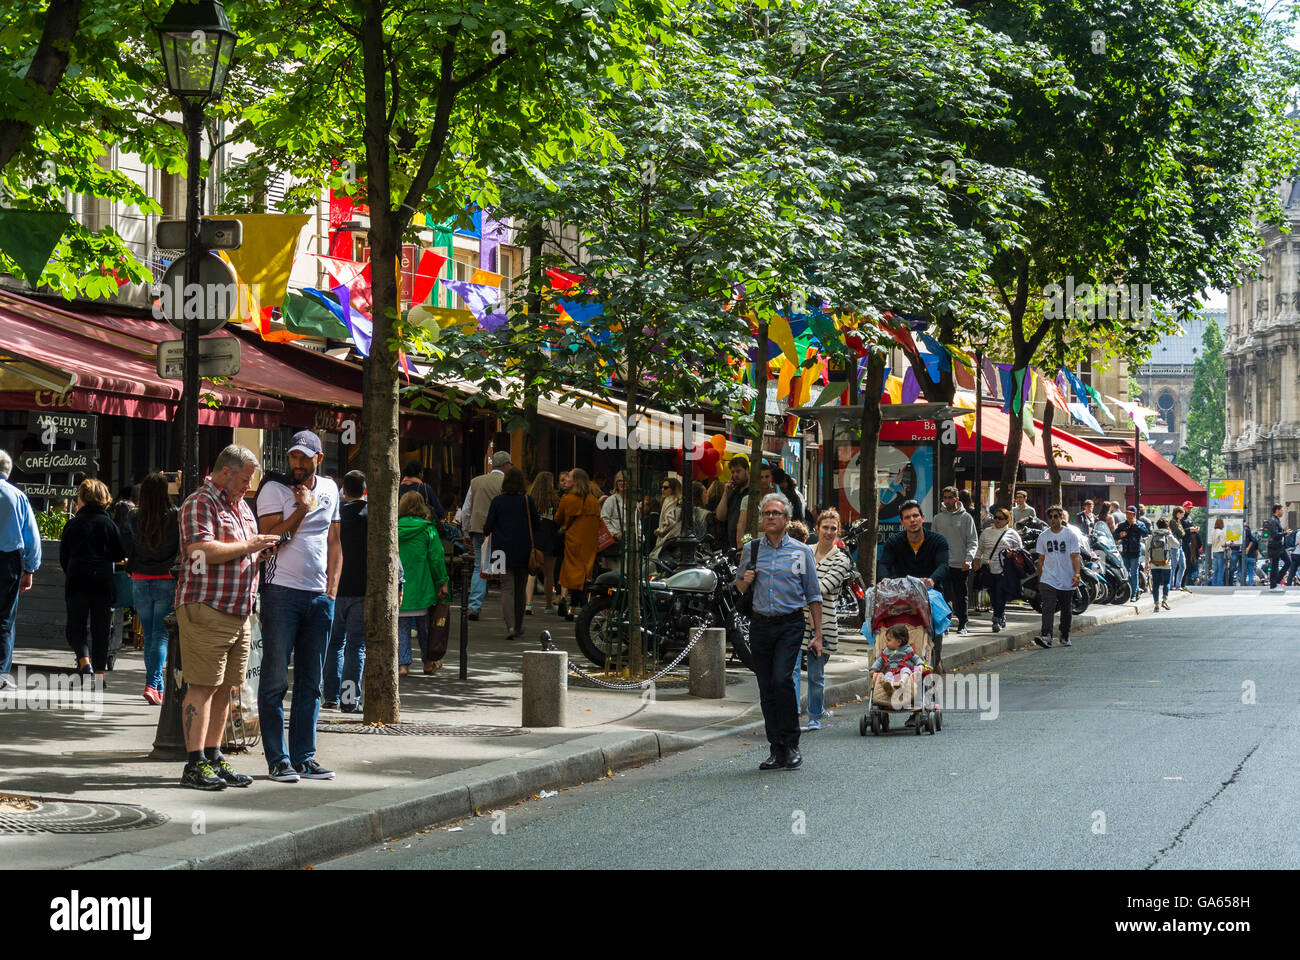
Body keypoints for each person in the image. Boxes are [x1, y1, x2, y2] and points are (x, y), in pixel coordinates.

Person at [174, 444, 281, 790]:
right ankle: (194, 764)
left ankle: (213, 756)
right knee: (203, 686)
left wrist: (258, 552)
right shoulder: (200, 503)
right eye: (246, 479)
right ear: (225, 472)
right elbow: (199, 552)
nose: (249, 487)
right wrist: (249, 547)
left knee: (226, 688)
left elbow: (240, 550)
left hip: (239, 610)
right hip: (207, 605)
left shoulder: (242, 509)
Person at [256, 430, 342, 783]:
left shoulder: (332, 488)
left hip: (319, 596)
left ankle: (304, 757)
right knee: (275, 680)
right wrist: (302, 511)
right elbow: (269, 539)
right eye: (293, 457)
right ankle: (278, 759)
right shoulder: (274, 489)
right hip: (281, 592)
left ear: (318, 459)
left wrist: (333, 588)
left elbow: (334, 539)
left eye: (305, 458)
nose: (297, 463)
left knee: (312, 681)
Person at [735, 492, 822, 771]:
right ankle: (776, 748)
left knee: (783, 679)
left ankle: (792, 744)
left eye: (775, 513)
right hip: (760, 625)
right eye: (766, 514)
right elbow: (738, 587)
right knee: (766, 687)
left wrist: (817, 634)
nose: (770, 517)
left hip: (790, 624)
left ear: (787, 519)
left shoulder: (801, 551)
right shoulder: (753, 549)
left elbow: (813, 595)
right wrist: (745, 581)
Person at [60, 479, 127, 685]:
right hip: (102, 582)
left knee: (75, 626)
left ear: (82, 498)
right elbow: (119, 554)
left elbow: (64, 556)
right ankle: (99, 675)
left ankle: (84, 661)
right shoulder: (109, 524)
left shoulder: (72, 524)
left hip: (77, 579)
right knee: (101, 629)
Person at [121, 472, 179, 705]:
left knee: (149, 636)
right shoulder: (175, 516)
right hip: (165, 578)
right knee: (160, 635)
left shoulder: (135, 517)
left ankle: (157, 687)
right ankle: (152, 683)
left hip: (140, 579)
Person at [798, 509, 853, 730]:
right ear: (816, 529)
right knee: (791, 671)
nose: (829, 532)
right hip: (798, 621)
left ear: (838, 531)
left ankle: (814, 716)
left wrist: (797, 592)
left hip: (825, 623)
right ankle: (792, 714)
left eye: (833, 528)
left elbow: (821, 589)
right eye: (825, 527)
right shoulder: (804, 552)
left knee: (815, 675)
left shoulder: (841, 560)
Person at [324, 470, 367, 710]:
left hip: (335, 587)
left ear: (344, 490)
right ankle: (350, 700)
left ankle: (331, 696)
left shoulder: (335, 515)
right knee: (355, 645)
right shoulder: (372, 517)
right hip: (361, 589)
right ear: (365, 490)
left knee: (334, 643)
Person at [483, 467, 539, 640]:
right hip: (523, 549)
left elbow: (487, 527)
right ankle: (520, 624)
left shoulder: (498, 501)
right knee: (520, 590)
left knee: (507, 589)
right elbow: (536, 525)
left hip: (501, 551)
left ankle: (511, 626)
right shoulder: (527, 501)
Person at [0, 450, 40, 691]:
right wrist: (30, 569)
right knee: (5, 617)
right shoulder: (17, 496)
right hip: (8, 560)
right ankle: (1, 673)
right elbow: (31, 536)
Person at [397, 492, 450, 671]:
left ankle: (402, 665)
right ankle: (429, 662)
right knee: (425, 628)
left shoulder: (393, 528)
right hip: (423, 586)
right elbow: (436, 559)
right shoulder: (428, 529)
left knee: (401, 627)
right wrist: (442, 581)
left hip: (400, 588)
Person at [459, 450, 509, 620]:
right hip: (500, 531)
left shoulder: (476, 482)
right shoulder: (507, 482)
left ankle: (474, 605)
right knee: (502, 568)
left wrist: (466, 531)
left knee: (480, 566)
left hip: (478, 529)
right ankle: (507, 609)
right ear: (506, 465)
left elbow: (466, 510)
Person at [554, 468, 601, 620]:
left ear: (575, 481)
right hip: (590, 545)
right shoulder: (593, 501)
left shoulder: (567, 500)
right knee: (584, 576)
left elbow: (558, 518)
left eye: (569, 476)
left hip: (573, 543)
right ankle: (573, 608)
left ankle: (570, 603)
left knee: (569, 575)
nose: (566, 478)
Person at [1033, 504, 1081, 648]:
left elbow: (1075, 557)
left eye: (1056, 516)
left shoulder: (1070, 535)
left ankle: (1064, 634)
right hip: (1049, 578)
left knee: (1066, 609)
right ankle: (1046, 635)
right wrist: (1040, 579)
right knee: (1048, 606)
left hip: (1066, 578)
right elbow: (1040, 560)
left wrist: (1077, 575)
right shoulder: (1043, 536)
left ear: (1061, 518)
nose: (1053, 519)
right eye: (1050, 517)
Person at [933, 485, 977, 636]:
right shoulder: (938, 518)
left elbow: (972, 540)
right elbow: (934, 541)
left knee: (960, 595)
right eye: (945, 498)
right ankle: (946, 623)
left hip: (961, 563)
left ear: (956, 499)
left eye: (950, 497)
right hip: (943, 564)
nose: (947, 500)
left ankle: (962, 623)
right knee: (943, 595)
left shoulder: (966, 518)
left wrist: (969, 559)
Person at [973, 506, 1023, 632]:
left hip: (1004, 570)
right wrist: (976, 561)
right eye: (995, 517)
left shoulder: (1012, 534)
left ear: (1007, 520)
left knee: (1000, 592)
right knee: (992, 594)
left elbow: (1020, 551)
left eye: (1000, 518)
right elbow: (980, 549)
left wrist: (1013, 553)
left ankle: (996, 618)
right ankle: (1001, 614)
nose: (997, 520)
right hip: (988, 569)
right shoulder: (986, 532)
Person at [879, 500, 949, 588]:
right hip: (903, 592)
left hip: (932, 591)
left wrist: (932, 579)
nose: (912, 520)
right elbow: (884, 564)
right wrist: (884, 578)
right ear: (902, 522)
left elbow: (943, 565)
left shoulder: (938, 540)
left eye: (915, 516)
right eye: (907, 517)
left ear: (923, 518)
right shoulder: (893, 541)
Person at [526, 471, 560, 611]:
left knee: (531, 572)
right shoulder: (554, 499)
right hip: (550, 537)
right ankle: (548, 603)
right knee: (549, 573)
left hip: (534, 537)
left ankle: (528, 603)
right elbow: (558, 519)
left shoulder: (530, 498)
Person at [869, 624, 924, 709]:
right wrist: (873, 668)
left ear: (898, 642)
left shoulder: (907, 649)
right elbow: (880, 661)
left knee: (906, 671)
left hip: (903, 669)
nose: (886, 642)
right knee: (888, 675)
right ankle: (889, 685)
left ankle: (902, 682)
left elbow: (915, 658)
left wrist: (920, 664)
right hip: (891, 671)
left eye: (888, 640)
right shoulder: (886, 651)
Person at [712, 455, 750, 553]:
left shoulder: (753, 493)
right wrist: (725, 493)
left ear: (747, 470)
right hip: (730, 545)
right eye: (733, 472)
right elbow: (720, 516)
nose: (735, 475)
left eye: (738, 471)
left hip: (746, 544)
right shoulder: (733, 492)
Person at [736, 463, 777, 548]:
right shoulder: (747, 499)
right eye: (761, 477)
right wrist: (740, 546)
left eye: (767, 477)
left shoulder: (778, 499)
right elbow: (741, 525)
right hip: (752, 545)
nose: (764, 480)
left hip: (773, 545)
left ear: (771, 478)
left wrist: (756, 526)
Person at [1144, 517, 1177, 612]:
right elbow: (1177, 544)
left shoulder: (1152, 536)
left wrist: (1147, 562)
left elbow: (1147, 550)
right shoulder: (1168, 535)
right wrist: (1170, 534)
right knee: (1166, 582)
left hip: (1154, 563)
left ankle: (1156, 605)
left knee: (1155, 584)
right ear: (1167, 526)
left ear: (1157, 525)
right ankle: (1164, 600)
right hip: (1166, 563)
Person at [1114, 506, 1146, 601]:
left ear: (1134, 514)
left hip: (1135, 552)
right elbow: (1114, 536)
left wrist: (1135, 525)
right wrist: (1119, 535)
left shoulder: (1140, 524)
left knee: (1134, 573)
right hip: (1125, 552)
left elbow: (1145, 533)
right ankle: (1131, 591)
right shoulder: (1121, 525)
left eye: (1130, 514)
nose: (1127, 516)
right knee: (1127, 574)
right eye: (1127, 513)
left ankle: (1134, 594)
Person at [651, 476, 682, 558]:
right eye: (662, 487)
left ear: (673, 489)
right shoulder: (675, 501)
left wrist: (660, 531)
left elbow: (670, 521)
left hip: (668, 540)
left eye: (665, 488)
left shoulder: (670, 501)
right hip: (673, 540)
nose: (662, 490)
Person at [1264, 503, 1290, 590]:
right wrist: (1285, 533)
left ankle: (1277, 581)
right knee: (1274, 566)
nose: (1282, 512)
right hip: (1274, 547)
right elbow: (1275, 535)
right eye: (1281, 510)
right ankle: (1273, 585)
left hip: (1279, 546)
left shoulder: (1277, 520)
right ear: (1277, 510)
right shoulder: (1273, 521)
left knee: (1288, 562)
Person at [1169, 506, 1188, 590]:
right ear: (1178, 514)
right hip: (1174, 546)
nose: (1183, 516)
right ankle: (1171, 585)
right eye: (1182, 514)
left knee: (1183, 566)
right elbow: (1181, 533)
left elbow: (1182, 532)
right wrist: (1182, 531)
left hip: (1179, 546)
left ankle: (1178, 585)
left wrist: (1182, 531)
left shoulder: (1178, 521)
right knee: (1173, 566)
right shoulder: (1173, 521)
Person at [1210, 517, 1227, 585]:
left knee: (1216, 570)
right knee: (1221, 570)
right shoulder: (1221, 532)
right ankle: (1219, 584)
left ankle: (1214, 584)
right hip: (1220, 552)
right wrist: (1229, 543)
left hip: (1214, 552)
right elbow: (1223, 544)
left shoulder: (1213, 532)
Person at [1241, 522, 1258, 587]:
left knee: (1244, 571)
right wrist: (1256, 558)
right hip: (1252, 558)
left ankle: (1244, 584)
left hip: (1245, 557)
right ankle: (1250, 584)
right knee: (1251, 572)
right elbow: (1256, 550)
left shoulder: (1242, 539)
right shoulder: (1254, 540)